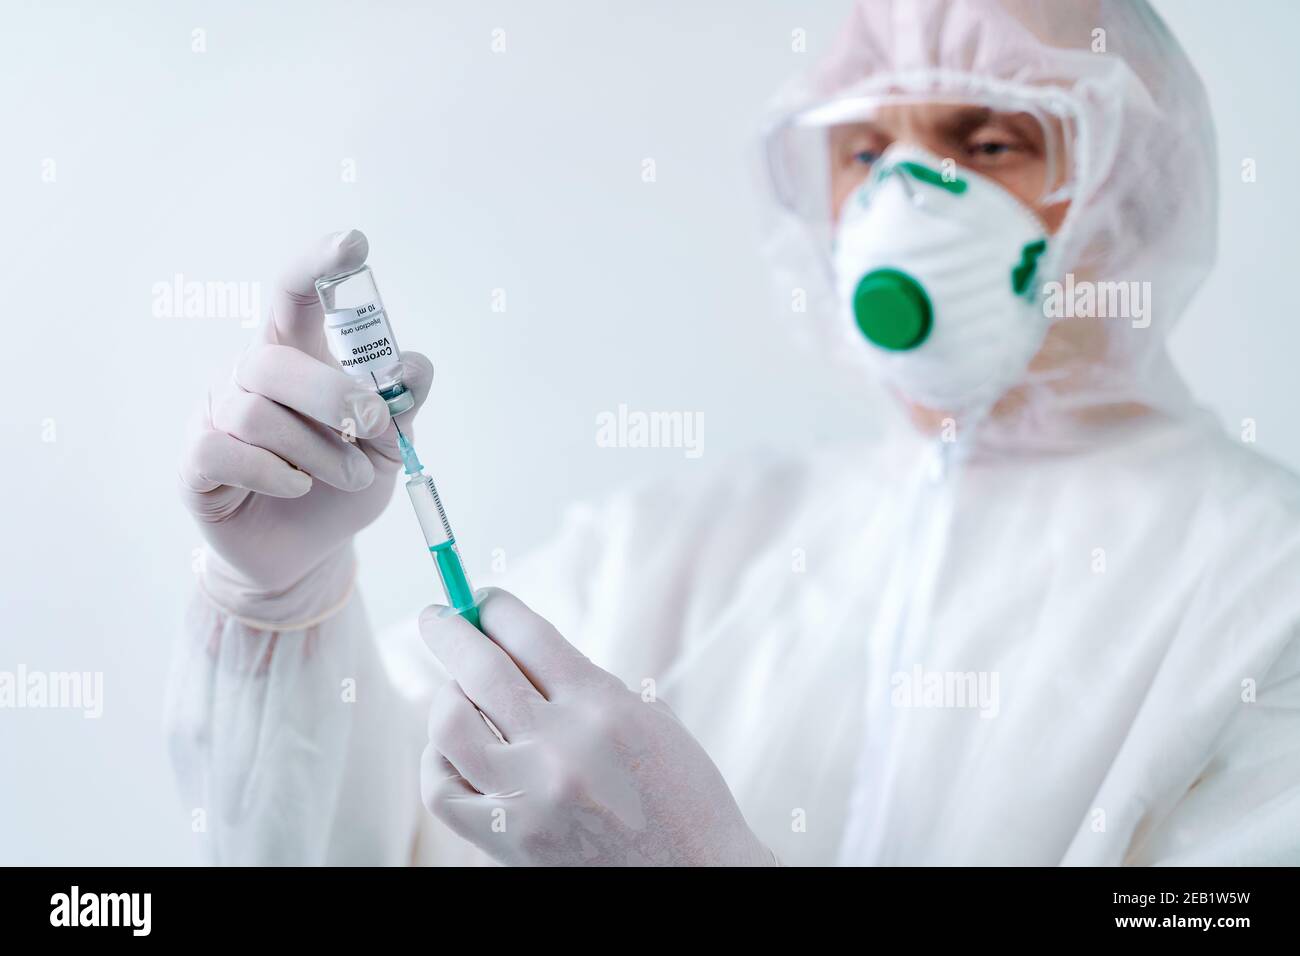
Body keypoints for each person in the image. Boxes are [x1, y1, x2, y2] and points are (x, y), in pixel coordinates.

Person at [168, 0, 1300, 866]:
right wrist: (285, 608)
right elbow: (381, 849)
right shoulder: (687, 543)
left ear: (1128, 192)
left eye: (990, 142)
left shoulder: (1262, 591)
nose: (905, 201)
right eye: (865, 153)